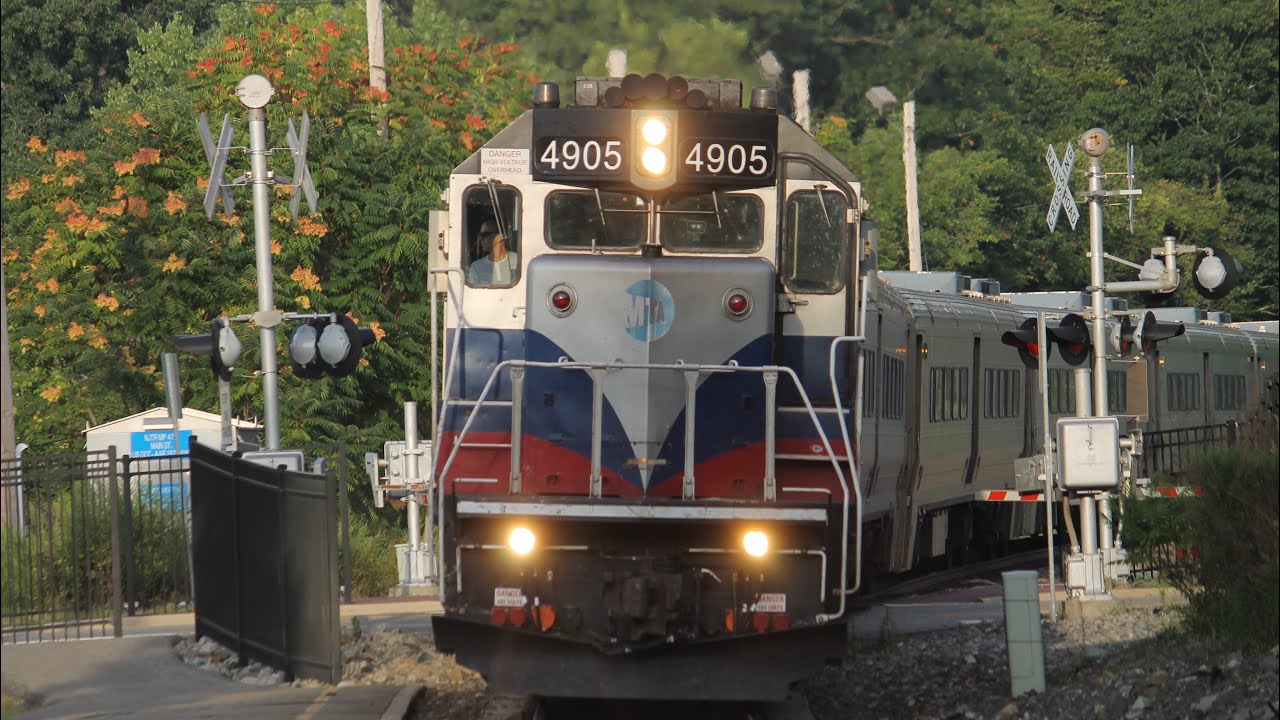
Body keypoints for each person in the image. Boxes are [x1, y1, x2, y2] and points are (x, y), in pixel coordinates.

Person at [467, 220, 519, 285]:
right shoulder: (476, 266)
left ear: (500, 236)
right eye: (480, 235)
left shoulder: (519, 260)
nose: (480, 239)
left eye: (484, 235)